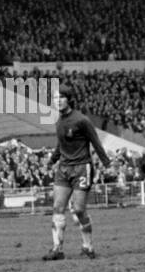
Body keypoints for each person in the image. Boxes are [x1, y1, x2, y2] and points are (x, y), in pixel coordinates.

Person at [43, 82, 111, 261]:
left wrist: (105, 161)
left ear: (69, 99)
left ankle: (88, 246)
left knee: (79, 210)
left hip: (82, 167)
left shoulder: (81, 120)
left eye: (61, 97)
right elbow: (61, 145)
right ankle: (57, 249)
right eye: (55, 98)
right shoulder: (58, 121)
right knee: (58, 207)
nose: (57, 101)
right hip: (64, 169)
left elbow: (95, 141)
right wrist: (52, 160)